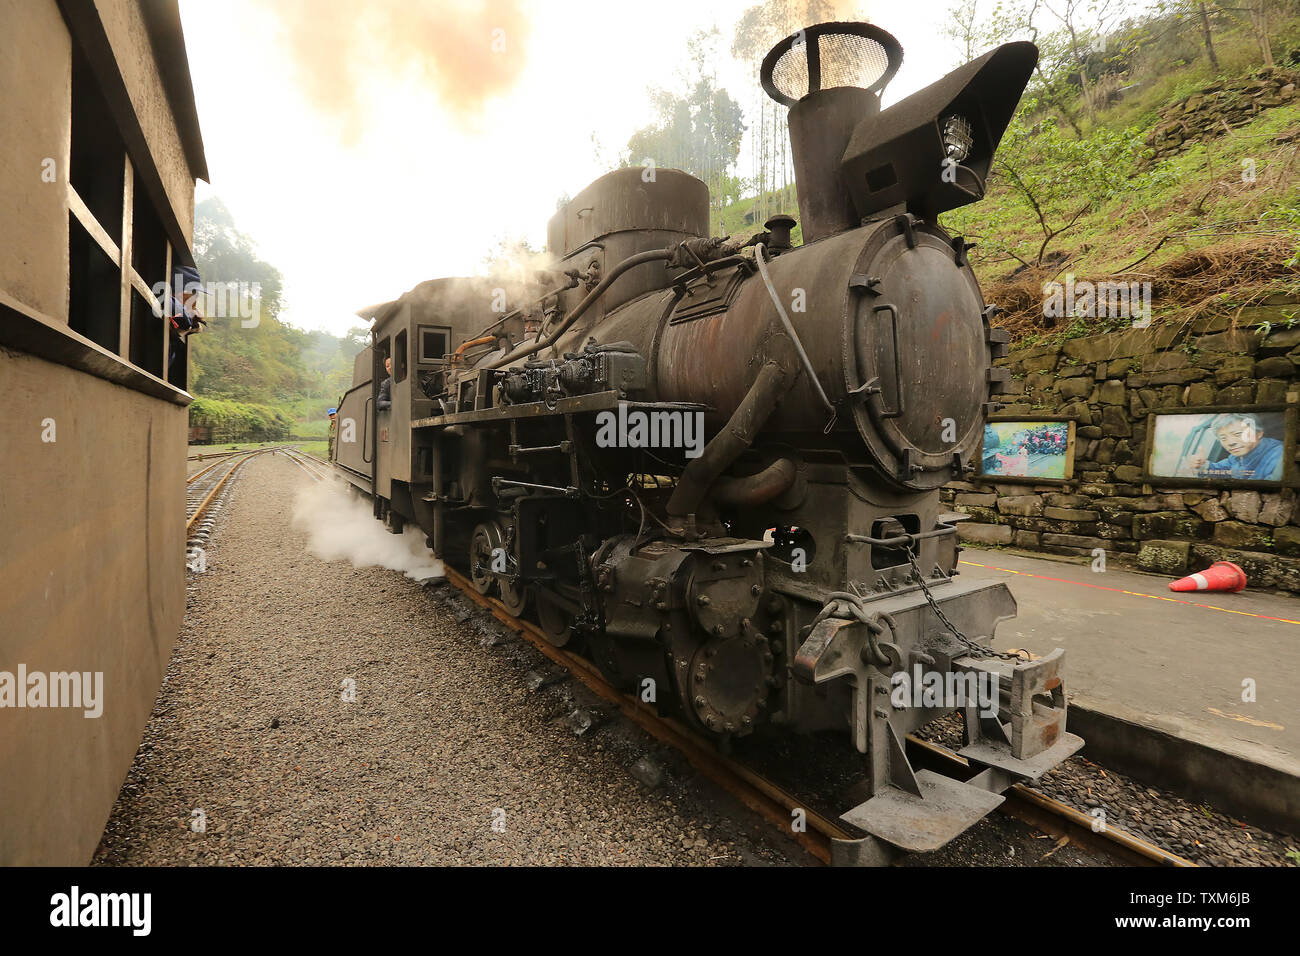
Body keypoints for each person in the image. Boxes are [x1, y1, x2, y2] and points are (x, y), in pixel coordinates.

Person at [1187, 413, 1284, 481]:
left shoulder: (1280, 456)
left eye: (1238, 434)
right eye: (1223, 438)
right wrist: (1202, 465)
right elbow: (1221, 469)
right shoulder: (1236, 457)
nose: (1230, 443)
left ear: (1258, 434)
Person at [167, 264, 205, 371]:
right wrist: (189, 321)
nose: (196, 297)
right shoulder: (168, 303)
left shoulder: (176, 314)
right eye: (193, 292)